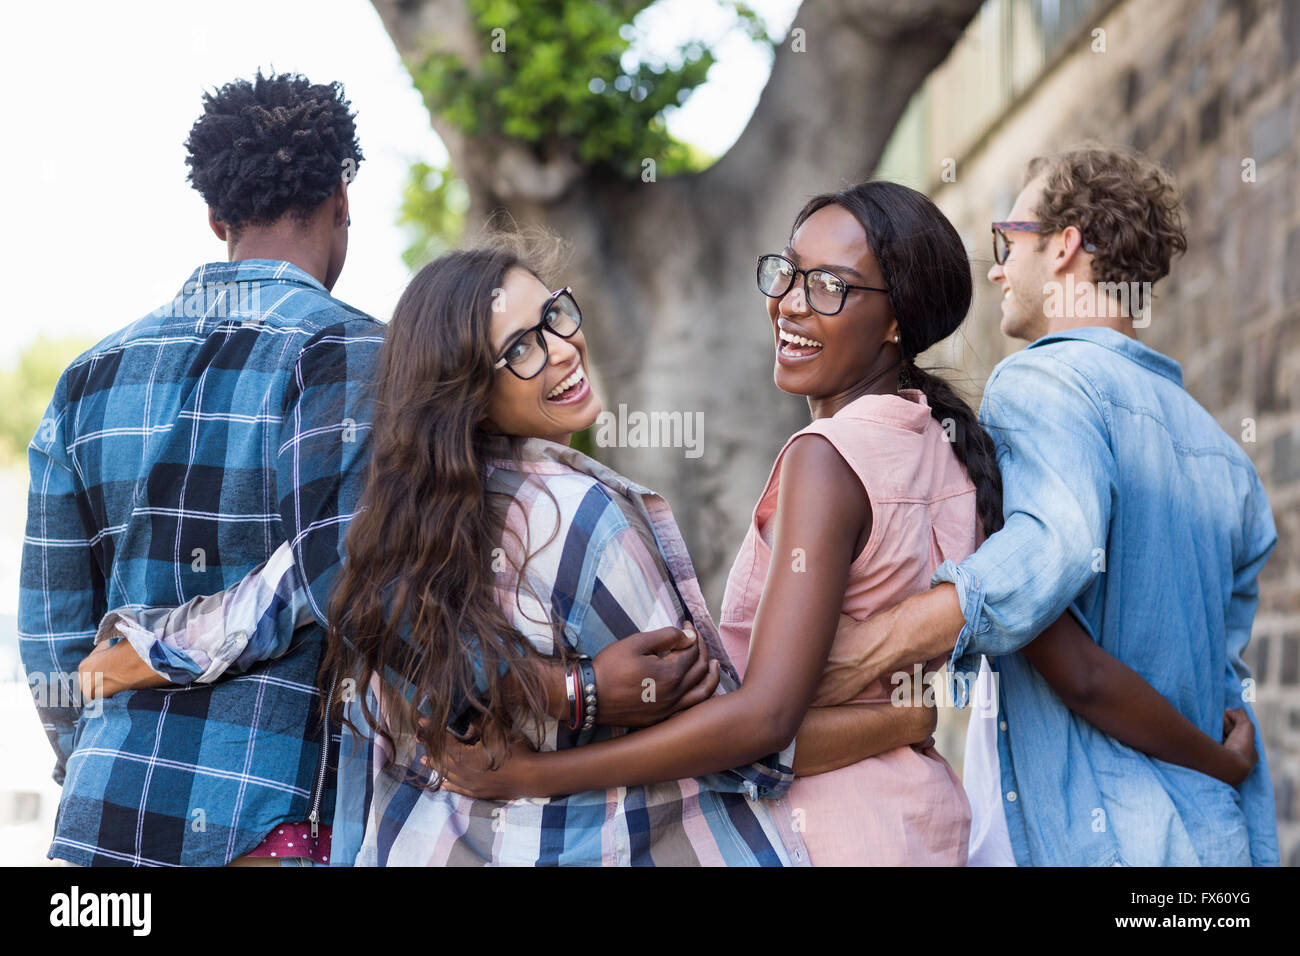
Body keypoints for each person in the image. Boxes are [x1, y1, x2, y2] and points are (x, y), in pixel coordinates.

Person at [84, 241, 937, 866]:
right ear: (466, 384)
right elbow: (726, 737)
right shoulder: (580, 519)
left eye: (554, 316)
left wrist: (113, 667)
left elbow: (222, 625)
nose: (561, 350)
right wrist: (903, 719)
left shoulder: (375, 530)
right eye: (519, 348)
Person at [814, 145, 1277, 867]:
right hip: (1211, 846)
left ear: (1064, 247)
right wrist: (1221, 769)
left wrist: (875, 647)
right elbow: (1223, 695)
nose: (997, 268)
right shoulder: (1225, 458)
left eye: (1007, 241)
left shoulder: (1041, 383)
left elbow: (1051, 564)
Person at [19, 70, 376, 865]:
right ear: (341, 199)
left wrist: (96, 756)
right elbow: (371, 594)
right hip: (283, 826)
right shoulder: (366, 359)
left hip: (101, 832)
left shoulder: (90, 376)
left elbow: (52, 637)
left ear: (215, 218)